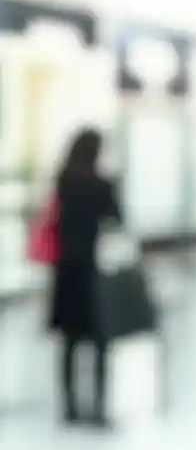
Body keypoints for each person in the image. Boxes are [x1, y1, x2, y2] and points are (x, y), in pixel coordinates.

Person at [49, 128, 123, 429]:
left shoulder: (63, 181)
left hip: (66, 270)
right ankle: (99, 406)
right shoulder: (102, 186)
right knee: (100, 342)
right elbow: (117, 220)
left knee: (69, 341)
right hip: (92, 272)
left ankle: (69, 406)